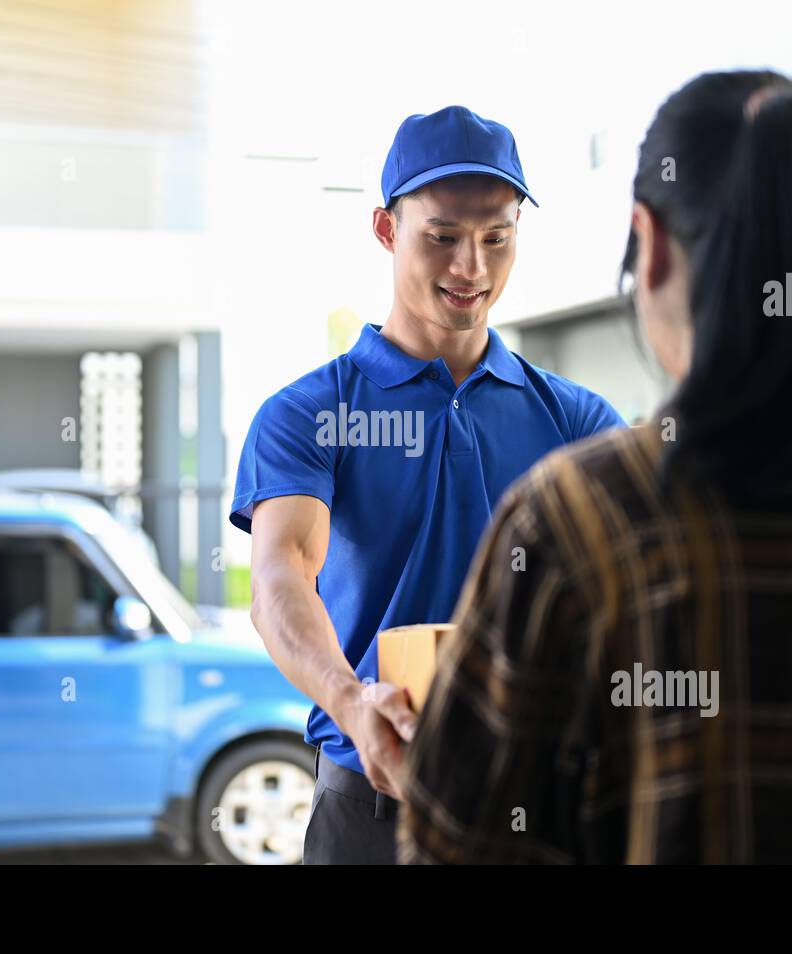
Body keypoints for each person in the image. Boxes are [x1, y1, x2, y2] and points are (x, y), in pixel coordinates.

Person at [397, 70, 792, 864]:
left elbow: (454, 843)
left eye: (496, 236)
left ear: (650, 242)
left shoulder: (580, 518)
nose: (471, 265)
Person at [231, 105, 626, 864]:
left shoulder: (577, 421)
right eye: (443, 237)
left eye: (496, 238)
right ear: (387, 229)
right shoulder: (311, 413)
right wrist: (352, 700)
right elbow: (282, 575)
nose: (471, 268)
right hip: (371, 811)